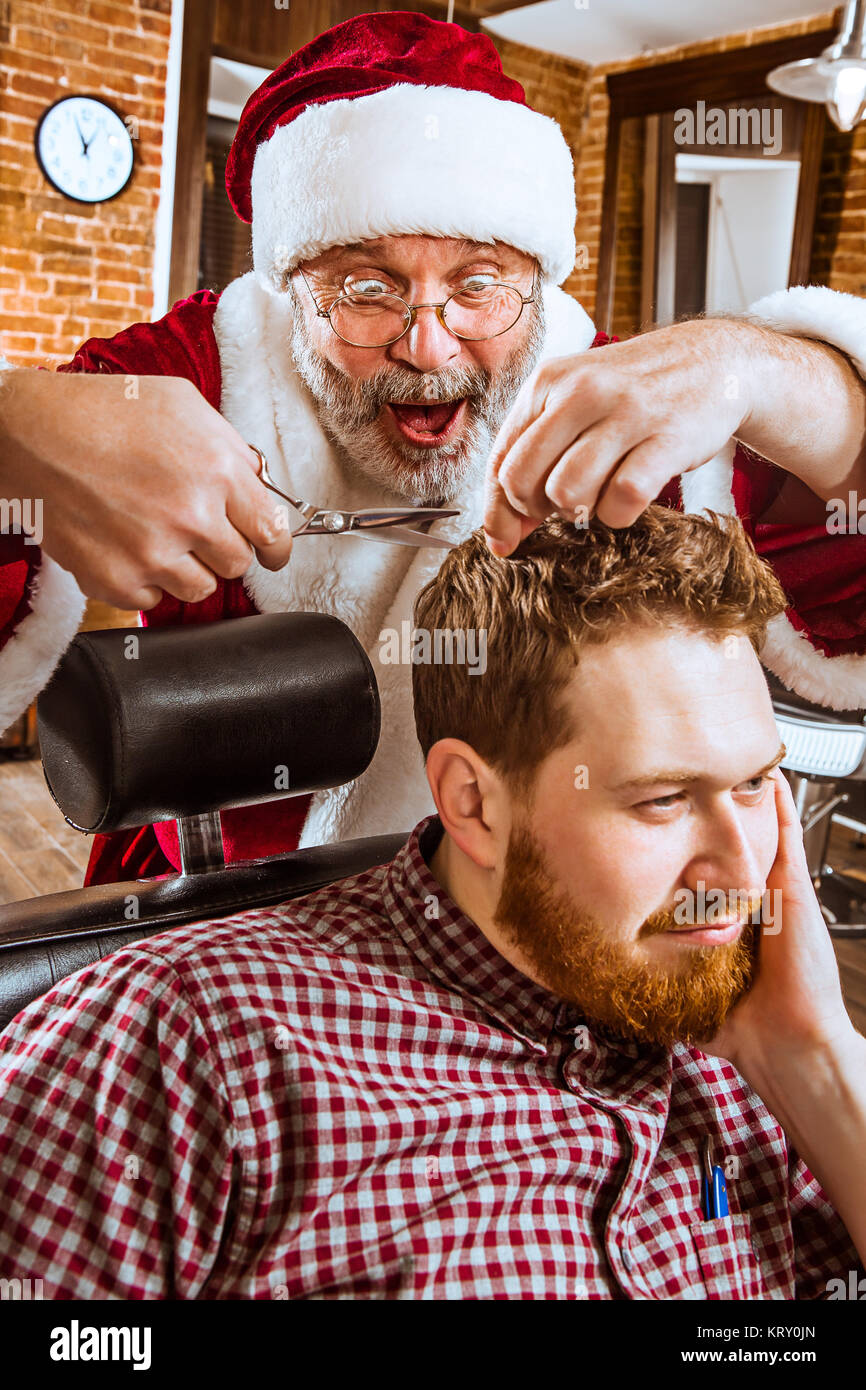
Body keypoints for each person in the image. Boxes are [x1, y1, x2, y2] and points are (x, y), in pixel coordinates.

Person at [1, 11, 865, 885]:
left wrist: (758, 368)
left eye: (479, 283)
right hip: (221, 899)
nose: (429, 348)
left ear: (536, 278)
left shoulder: (606, 391)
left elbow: (844, 574)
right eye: (366, 288)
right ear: (294, 288)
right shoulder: (203, 365)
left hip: (523, 909)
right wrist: (16, 424)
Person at [0, 506, 863, 1300]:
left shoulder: (756, 1026)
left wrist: (817, 1060)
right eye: (663, 801)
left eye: (756, 783)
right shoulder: (185, 1041)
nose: (739, 872)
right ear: (474, 803)